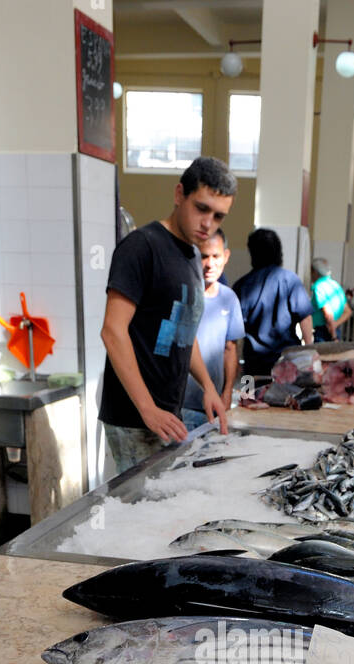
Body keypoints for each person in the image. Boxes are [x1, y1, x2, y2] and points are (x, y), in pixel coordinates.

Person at [99, 155, 236, 474]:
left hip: (167, 415)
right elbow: (112, 331)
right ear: (179, 195)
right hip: (134, 418)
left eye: (218, 216)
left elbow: (184, 332)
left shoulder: (190, 255)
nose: (208, 224)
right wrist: (147, 409)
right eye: (201, 208)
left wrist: (209, 387)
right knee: (142, 514)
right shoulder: (141, 247)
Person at [181, 229, 245, 431]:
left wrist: (226, 393)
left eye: (215, 256)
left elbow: (230, 349)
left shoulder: (229, 298)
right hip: (181, 407)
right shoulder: (184, 295)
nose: (209, 264)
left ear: (225, 256)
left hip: (214, 406)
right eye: (203, 257)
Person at [233, 229, 314, 376]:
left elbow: (236, 331)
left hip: (252, 365)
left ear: (252, 253)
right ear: (278, 252)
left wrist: (237, 361)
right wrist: (309, 352)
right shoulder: (290, 280)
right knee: (286, 398)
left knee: (248, 397)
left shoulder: (242, 285)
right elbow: (305, 318)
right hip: (287, 364)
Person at [310, 257, 351, 343]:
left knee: (321, 355)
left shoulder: (318, 287)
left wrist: (333, 336)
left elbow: (328, 314)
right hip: (335, 329)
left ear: (315, 272)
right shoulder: (336, 285)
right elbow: (348, 312)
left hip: (324, 333)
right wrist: (336, 325)